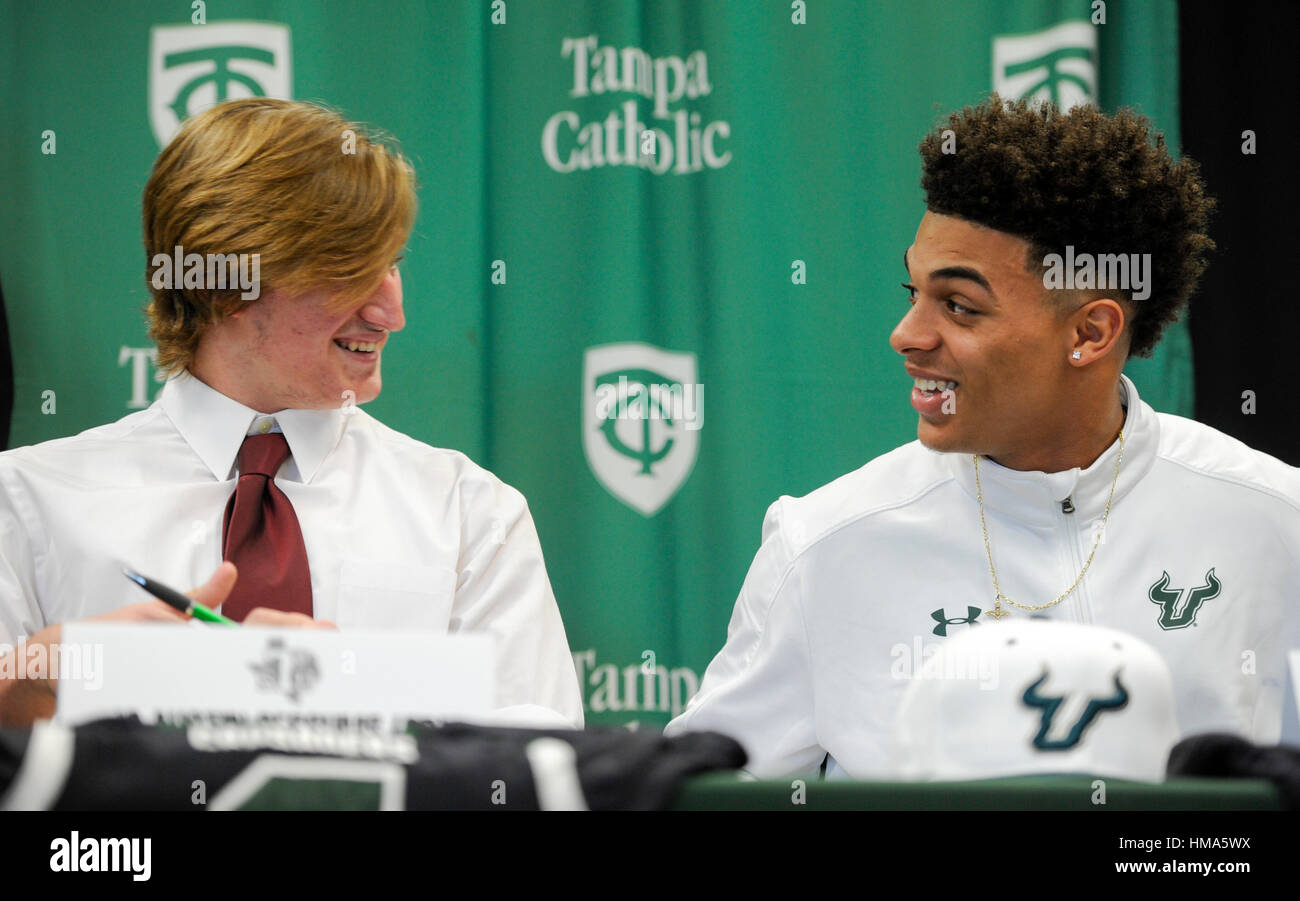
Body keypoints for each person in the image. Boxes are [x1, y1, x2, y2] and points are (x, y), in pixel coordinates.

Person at [665, 95, 1300, 779]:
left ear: (1090, 331)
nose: (907, 335)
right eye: (913, 291)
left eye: (959, 306)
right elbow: (707, 792)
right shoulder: (823, 544)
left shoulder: (1276, 520)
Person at [0, 99, 583, 728]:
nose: (392, 313)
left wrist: (360, 711)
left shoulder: (472, 516)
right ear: (227, 285)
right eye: (352, 272)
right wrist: (30, 683)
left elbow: (538, 778)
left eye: (391, 264)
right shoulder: (25, 502)